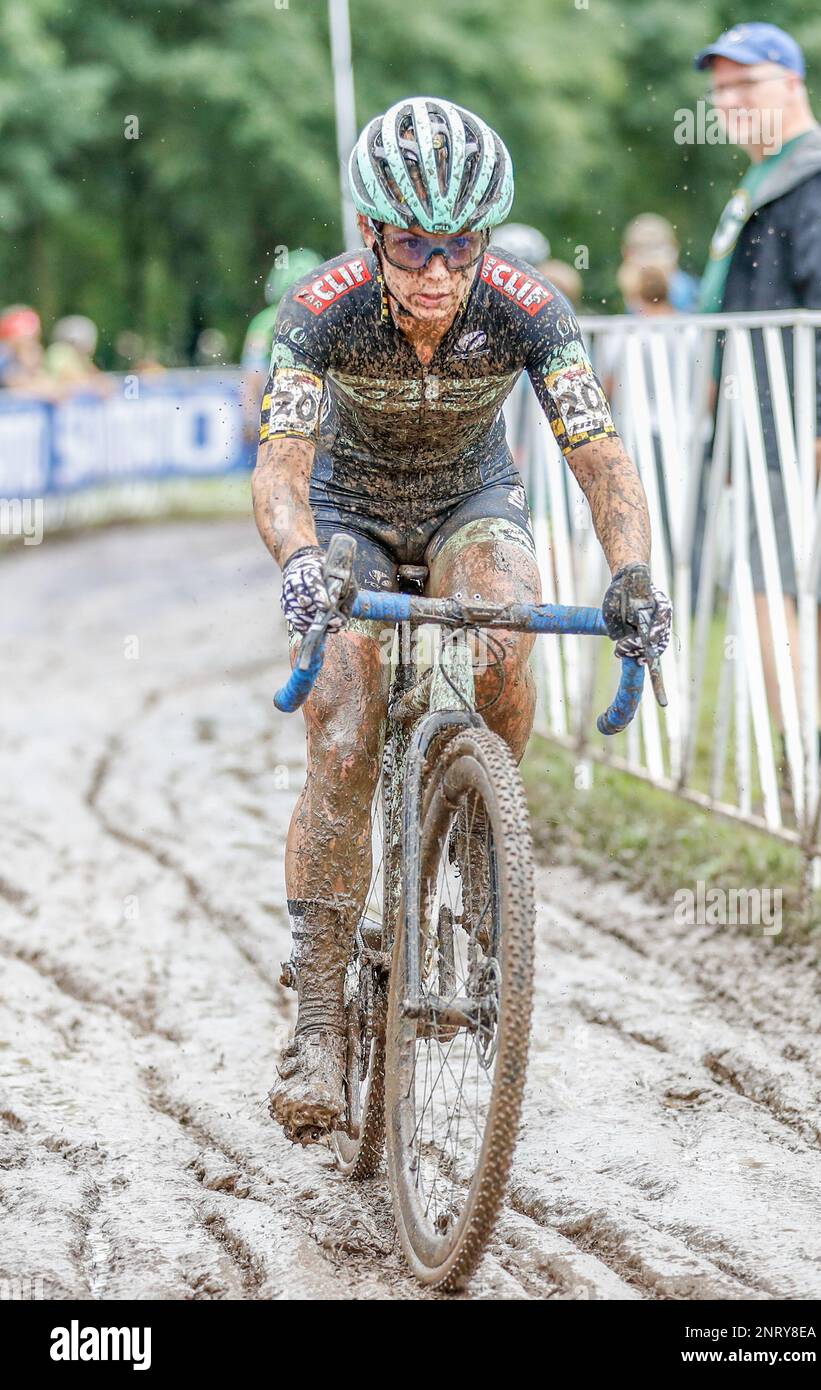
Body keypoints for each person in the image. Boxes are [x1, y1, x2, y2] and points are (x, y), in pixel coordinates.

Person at [251, 96, 671, 1145]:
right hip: (346, 510)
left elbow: (595, 451)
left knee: (501, 624)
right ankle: (314, 1020)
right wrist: (301, 561)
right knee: (343, 722)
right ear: (371, 236)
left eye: (459, 248)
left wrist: (632, 575)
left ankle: (485, 836)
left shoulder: (529, 308)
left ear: (485, 241)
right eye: (412, 246)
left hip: (469, 501)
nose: (437, 272)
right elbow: (280, 466)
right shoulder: (319, 310)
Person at [696, 22, 821, 820]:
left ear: (792, 86)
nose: (728, 103)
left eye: (746, 85)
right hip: (778, 429)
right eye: (719, 90)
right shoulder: (769, 182)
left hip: (799, 434)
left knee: (781, 594)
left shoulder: (819, 184)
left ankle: (811, 763)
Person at [241, 250, 321, 439]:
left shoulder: (265, 322)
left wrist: (250, 418)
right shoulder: (329, 316)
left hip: (279, 417)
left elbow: (253, 375)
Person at [622, 213, 700, 314]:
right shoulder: (632, 294)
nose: (650, 257)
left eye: (656, 247)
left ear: (674, 250)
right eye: (641, 249)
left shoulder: (692, 293)